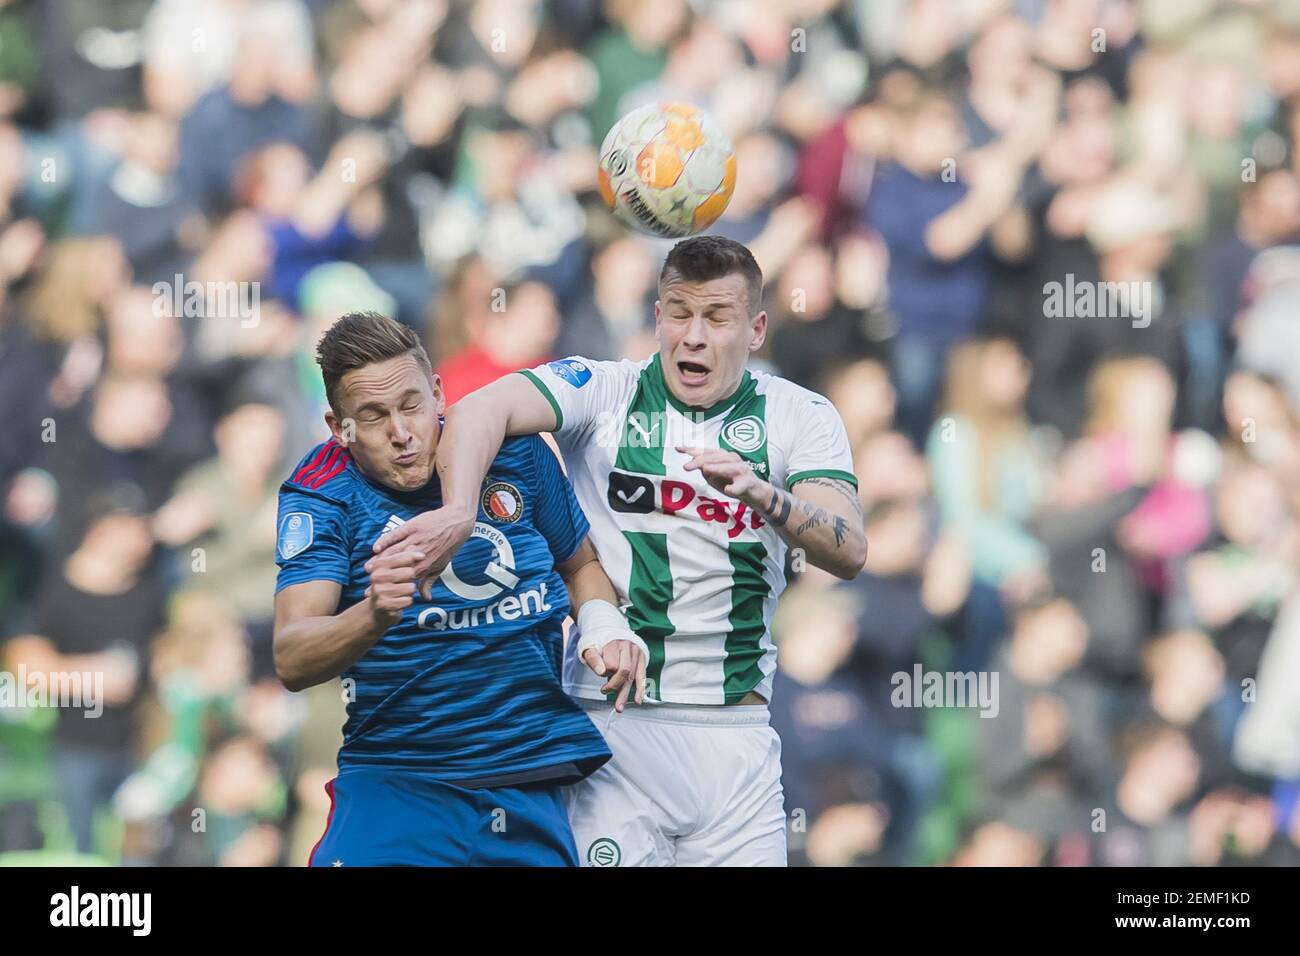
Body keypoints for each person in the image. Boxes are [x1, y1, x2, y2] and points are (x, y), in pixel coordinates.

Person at [373, 236, 869, 866]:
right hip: (615, 727)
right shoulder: (603, 390)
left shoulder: (801, 414)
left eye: (717, 318)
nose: (694, 335)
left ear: (755, 329)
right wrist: (459, 512)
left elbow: (849, 549)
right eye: (679, 313)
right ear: (656, 317)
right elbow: (475, 411)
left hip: (736, 742)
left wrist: (766, 496)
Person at [271, 311, 638, 866]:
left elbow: (581, 566)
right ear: (337, 426)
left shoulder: (517, 454)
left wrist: (604, 625)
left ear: (439, 392)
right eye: (372, 417)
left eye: (412, 406)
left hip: (526, 773)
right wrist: (373, 612)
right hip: (398, 779)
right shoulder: (322, 491)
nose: (401, 433)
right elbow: (292, 655)